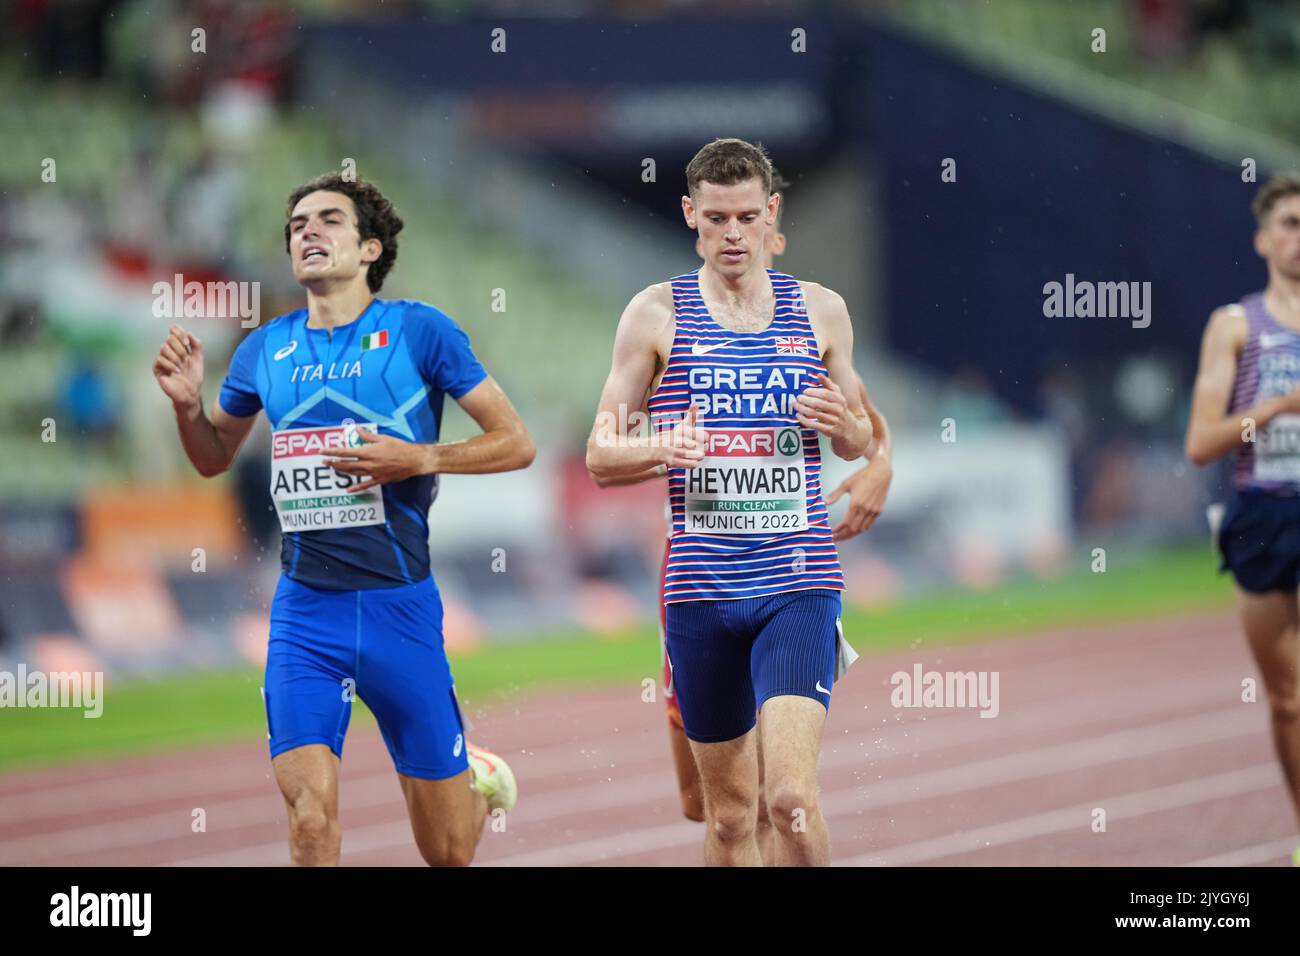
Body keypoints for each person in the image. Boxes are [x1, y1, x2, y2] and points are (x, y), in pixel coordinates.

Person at [152, 173, 534, 866]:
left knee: (447, 851)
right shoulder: (263, 350)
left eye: (329, 220)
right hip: (305, 615)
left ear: (369, 249)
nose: (308, 232)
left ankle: (479, 784)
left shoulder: (421, 331)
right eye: (298, 224)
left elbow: (516, 441)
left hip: (400, 611)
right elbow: (213, 457)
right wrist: (186, 407)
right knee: (309, 822)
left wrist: (417, 457)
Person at [593, 170, 893, 866]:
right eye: (718, 217)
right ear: (691, 214)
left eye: (747, 216)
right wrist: (661, 444)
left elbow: (861, 433)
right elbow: (600, 454)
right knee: (728, 819)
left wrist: (846, 431)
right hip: (699, 593)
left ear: (772, 214)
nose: (732, 233)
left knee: (788, 798)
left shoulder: (820, 311)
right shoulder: (653, 314)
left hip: (798, 581)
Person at [1186, 172, 1300, 866]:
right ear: (1264, 239)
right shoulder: (1236, 325)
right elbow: (1201, 440)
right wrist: (1276, 410)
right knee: (1288, 700)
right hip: (1265, 514)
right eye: (1289, 223)